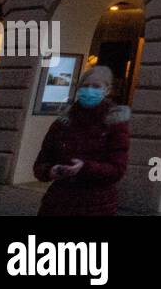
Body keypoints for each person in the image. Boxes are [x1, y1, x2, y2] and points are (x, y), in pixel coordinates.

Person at [32, 65, 130, 216]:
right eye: (85, 86)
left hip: (96, 205)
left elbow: (117, 169)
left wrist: (85, 167)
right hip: (59, 203)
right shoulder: (63, 122)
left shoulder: (114, 124)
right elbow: (41, 163)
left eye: (96, 86)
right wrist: (50, 171)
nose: (89, 90)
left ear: (107, 90)